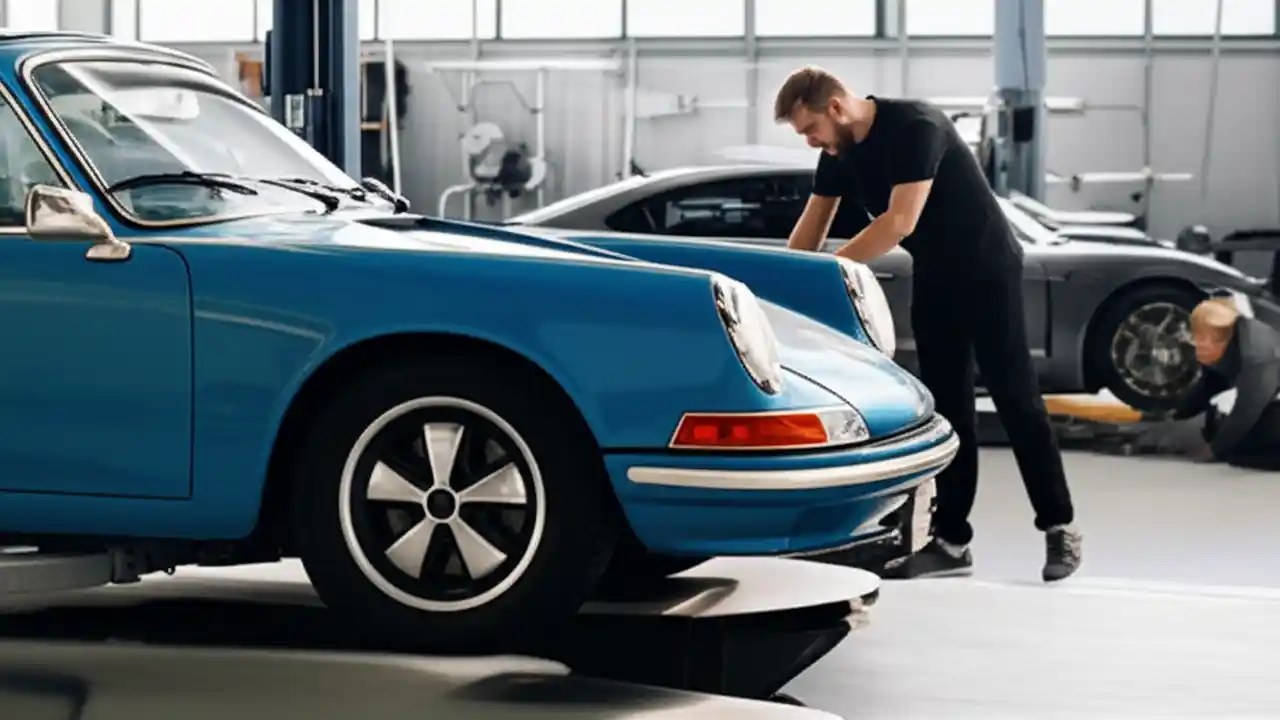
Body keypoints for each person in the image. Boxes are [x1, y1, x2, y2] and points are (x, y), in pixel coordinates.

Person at [772, 66, 1082, 582]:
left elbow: (899, 221)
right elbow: (814, 222)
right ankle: (952, 541)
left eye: (810, 130)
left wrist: (827, 277)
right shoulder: (839, 151)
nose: (810, 143)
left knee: (1015, 398)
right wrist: (781, 285)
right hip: (935, 273)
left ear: (836, 108)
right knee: (949, 406)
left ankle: (1060, 526)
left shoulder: (916, 126)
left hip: (987, 268)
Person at [1163, 298, 1280, 469]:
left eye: (1200, 338)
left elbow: (1247, 410)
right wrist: (1174, 416)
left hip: (1265, 405)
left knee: (1254, 439)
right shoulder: (1234, 340)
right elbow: (1209, 385)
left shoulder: (1258, 358)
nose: (1195, 344)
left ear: (1220, 338)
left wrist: (1214, 449)